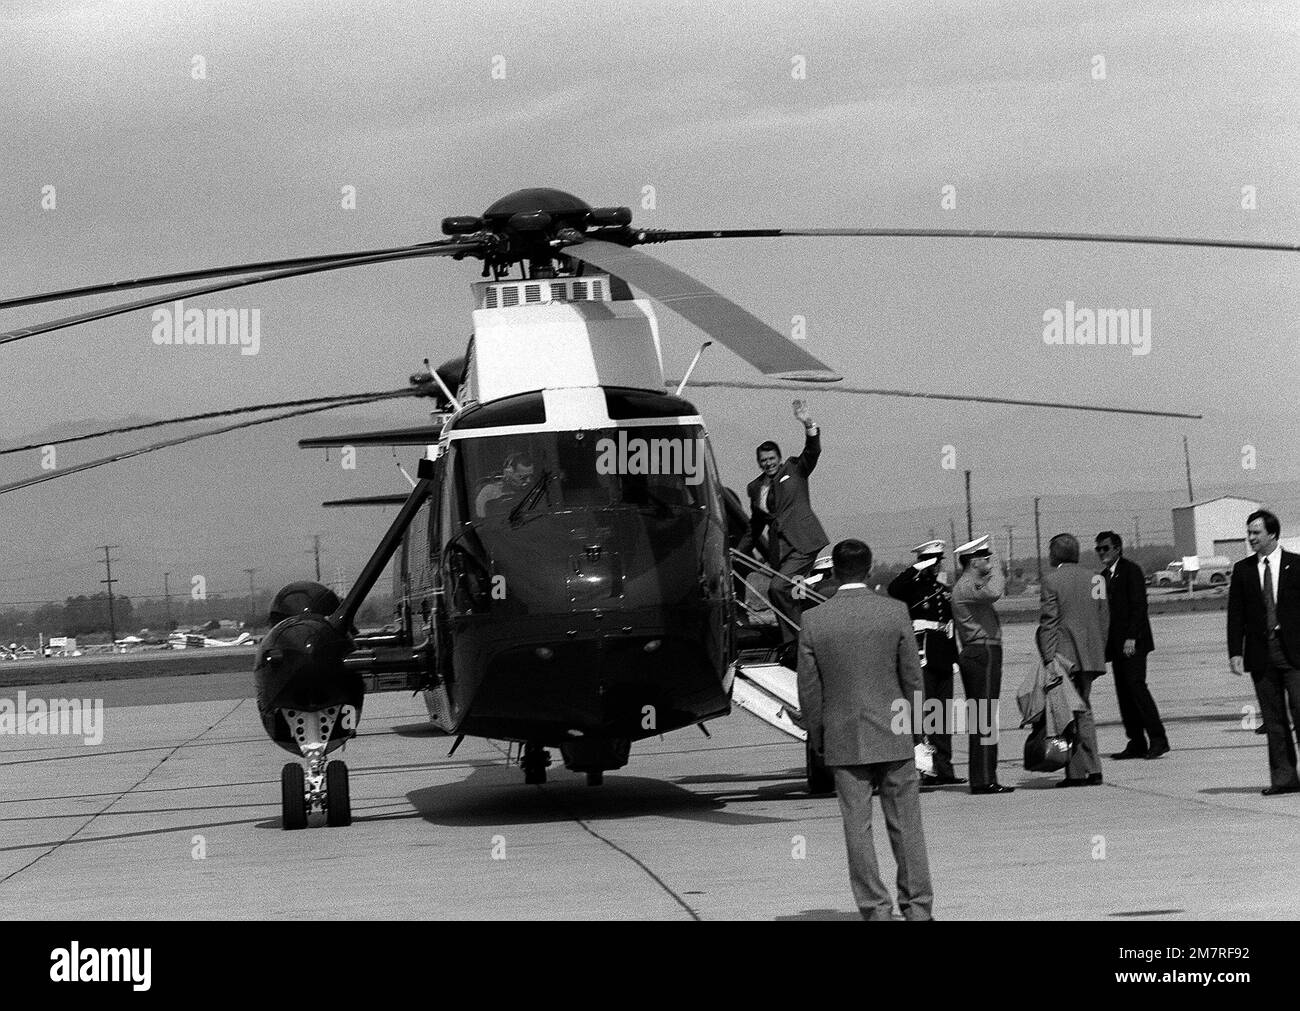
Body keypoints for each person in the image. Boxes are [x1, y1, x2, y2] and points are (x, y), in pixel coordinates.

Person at [797, 538, 934, 921]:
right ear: (870, 569)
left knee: (857, 827)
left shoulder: (814, 619)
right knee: (906, 825)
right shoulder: (894, 612)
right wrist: (918, 730)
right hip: (894, 733)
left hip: (842, 738)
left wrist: (816, 734)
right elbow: (913, 677)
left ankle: (876, 909)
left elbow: (809, 688)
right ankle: (918, 908)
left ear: (835, 572)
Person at [739, 400, 829, 644]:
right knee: (781, 591)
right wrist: (737, 555)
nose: (768, 463)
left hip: (803, 542)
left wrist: (808, 423)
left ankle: (799, 639)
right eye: (763, 460)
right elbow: (755, 526)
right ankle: (790, 640)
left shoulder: (794, 469)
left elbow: (813, 451)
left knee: (778, 587)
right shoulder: (755, 487)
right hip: (781, 550)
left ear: (778, 458)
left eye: (771, 458)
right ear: (759, 462)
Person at [1227, 509, 1300, 796]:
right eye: (1249, 532)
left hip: (1294, 653)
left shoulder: (1296, 565)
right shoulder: (1243, 570)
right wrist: (1235, 651)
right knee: (1273, 719)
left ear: (1272, 534)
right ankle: (1284, 779)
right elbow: (1236, 615)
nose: (1250, 538)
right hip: (1261, 653)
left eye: (1256, 532)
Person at [889, 539, 965, 787]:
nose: (936, 565)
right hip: (922, 654)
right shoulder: (911, 586)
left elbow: (949, 626)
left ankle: (944, 769)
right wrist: (917, 567)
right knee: (921, 714)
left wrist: (954, 658)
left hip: (942, 653)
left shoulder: (942, 588)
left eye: (938, 560)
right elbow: (893, 589)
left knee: (942, 715)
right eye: (932, 560)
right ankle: (924, 767)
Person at [1039, 533, 1109, 787]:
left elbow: (1049, 622)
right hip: (1090, 656)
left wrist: (1048, 658)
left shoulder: (1051, 581)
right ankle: (1093, 769)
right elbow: (1104, 617)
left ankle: (1078, 772)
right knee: (1084, 709)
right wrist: (1098, 650)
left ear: (1057, 554)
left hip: (1063, 656)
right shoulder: (1097, 579)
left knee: (1067, 712)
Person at [1095, 531, 1168, 760]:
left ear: (1117, 548)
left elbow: (1139, 606)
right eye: (1098, 549)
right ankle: (1136, 741)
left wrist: (1131, 637)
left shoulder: (1131, 571)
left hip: (1133, 643)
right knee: (1124, 694)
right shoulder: (1102, 577)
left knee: (1137, 688)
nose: (1101, 553)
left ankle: (1158, 740)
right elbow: (1099, 610)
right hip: (1115, 645)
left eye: (1105, 548)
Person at [951, 535, 1014, 794]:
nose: (988, 561)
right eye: (985, 557)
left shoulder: (969, 583)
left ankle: (983, 776)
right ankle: (984, 778)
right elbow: (995, 591)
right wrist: (997, 562)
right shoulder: (967, 585)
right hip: (982, 652)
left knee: (983, 716)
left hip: (980, 652)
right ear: (974, 561)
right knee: (985, 717)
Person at [475, 452, 536, 517]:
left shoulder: (535, 491)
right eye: (522, 477)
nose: (528, 481)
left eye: (531, 476)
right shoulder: (489, 493)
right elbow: (482, 522)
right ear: (508, 473)